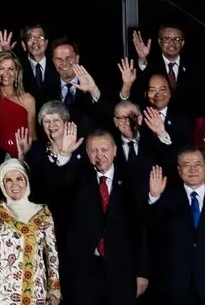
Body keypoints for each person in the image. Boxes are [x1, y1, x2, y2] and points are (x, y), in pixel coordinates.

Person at [57, 130, 149, 305]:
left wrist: (142, 272)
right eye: (94, 151)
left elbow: (141, 228)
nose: (100, 155)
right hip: (85, 269)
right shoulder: (77, 177)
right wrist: (64, 155)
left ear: (115, 150)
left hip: (122, 270)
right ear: (87, 153)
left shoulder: (132, 180)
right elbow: (58, 187)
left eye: (104, 150)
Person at [145, 150, 205, 305]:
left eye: (197, 164)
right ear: (179, 170)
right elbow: (151, 232)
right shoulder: (166, 199)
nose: (193, 169)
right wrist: (154, 197)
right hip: (174, 288)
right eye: (186, 165)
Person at [0, 159, 60, 305]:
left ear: (26, 180)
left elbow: (51, 253)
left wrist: (54, 289)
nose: (14, 184)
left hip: (34, 291)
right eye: (8, 180)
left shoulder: (43, 214)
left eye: (19, 178)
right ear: (2, 184)